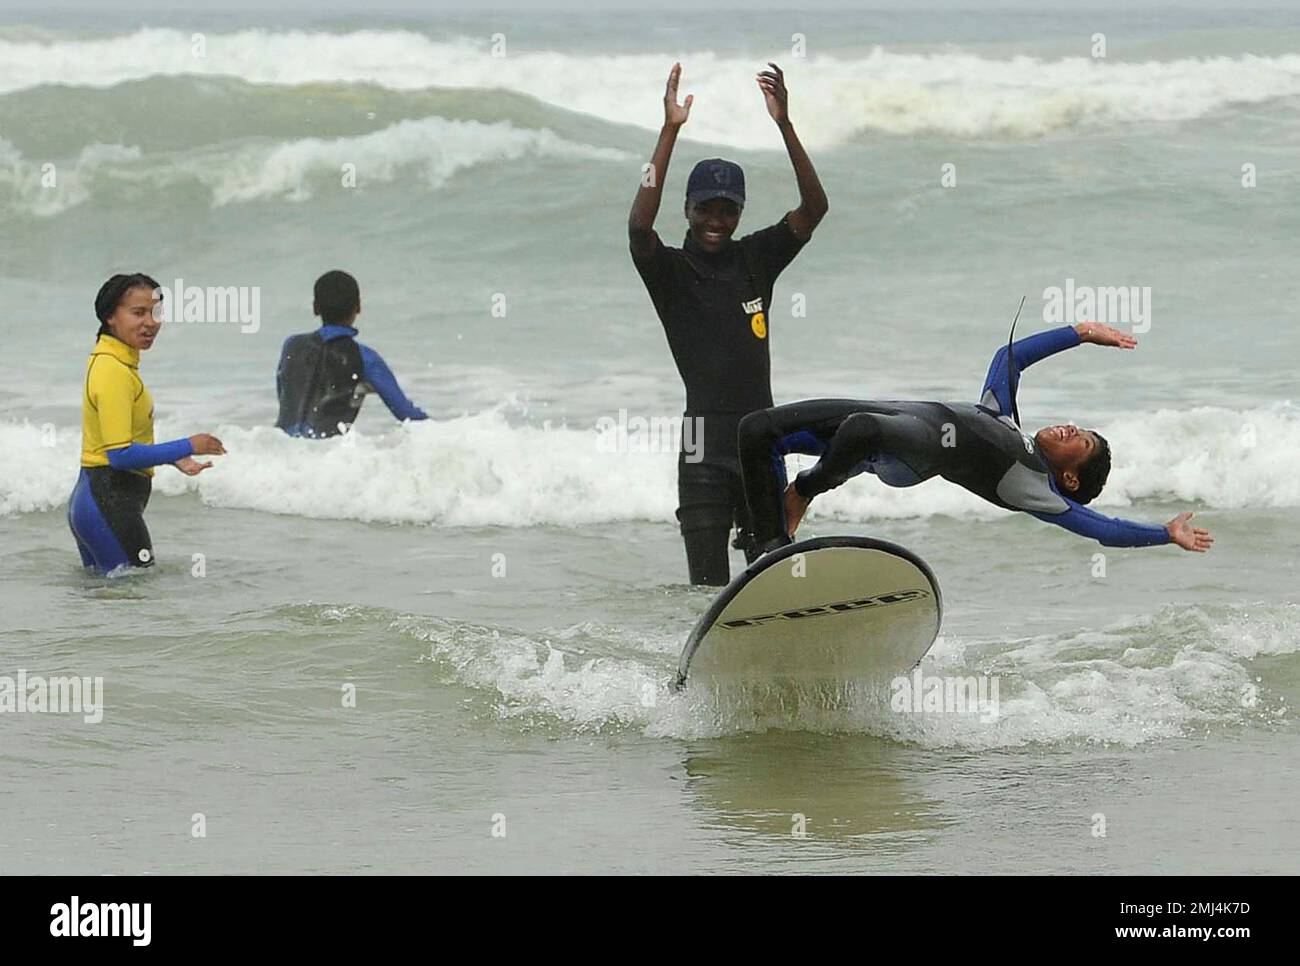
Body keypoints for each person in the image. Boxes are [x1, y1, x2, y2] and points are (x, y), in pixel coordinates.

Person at [738, 320, 1215, 553]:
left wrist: (1164, 534)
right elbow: (1009, 356)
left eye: (1081, 442)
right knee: (757, 430)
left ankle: (800, 493)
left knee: (860, 431)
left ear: (1069, 477)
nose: (1071, 427)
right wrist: (1080, 332)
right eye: (1080, 428)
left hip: (911, 454)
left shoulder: (1037, 490)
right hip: (895, 414)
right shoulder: (1001, 415)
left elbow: (1101, 528)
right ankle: (771, 545)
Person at [628, 62, 828, 585]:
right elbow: (637, 225)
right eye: (706, 209)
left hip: (761, 438)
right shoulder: (668, 270)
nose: (716, 220)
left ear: (739, 212)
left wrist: (785, 124)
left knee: (769, 578)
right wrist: (670, 129)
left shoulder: (755, 259)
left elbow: (815, 207)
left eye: (728, 210)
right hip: (702, 444)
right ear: (688, 209)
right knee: (708, 589)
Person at [69, 273, 226, 575]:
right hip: (108, 502)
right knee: (136, 596)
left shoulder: (114, 363)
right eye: (138, 313)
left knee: (107, 607)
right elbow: (119, 454)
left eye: (155, 313)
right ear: (110, 316)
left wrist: (174, 457)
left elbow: (117, 443)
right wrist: (189, 444)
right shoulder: (113, 370)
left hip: (96, 502)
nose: (150, 323)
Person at [276, 270, 428, 438]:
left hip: (280, 451)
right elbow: (407, 415)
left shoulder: (291, 346)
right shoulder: (365, 358)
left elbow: (285, 398)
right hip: (323, 456)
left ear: (315, 308)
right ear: (359, 307)